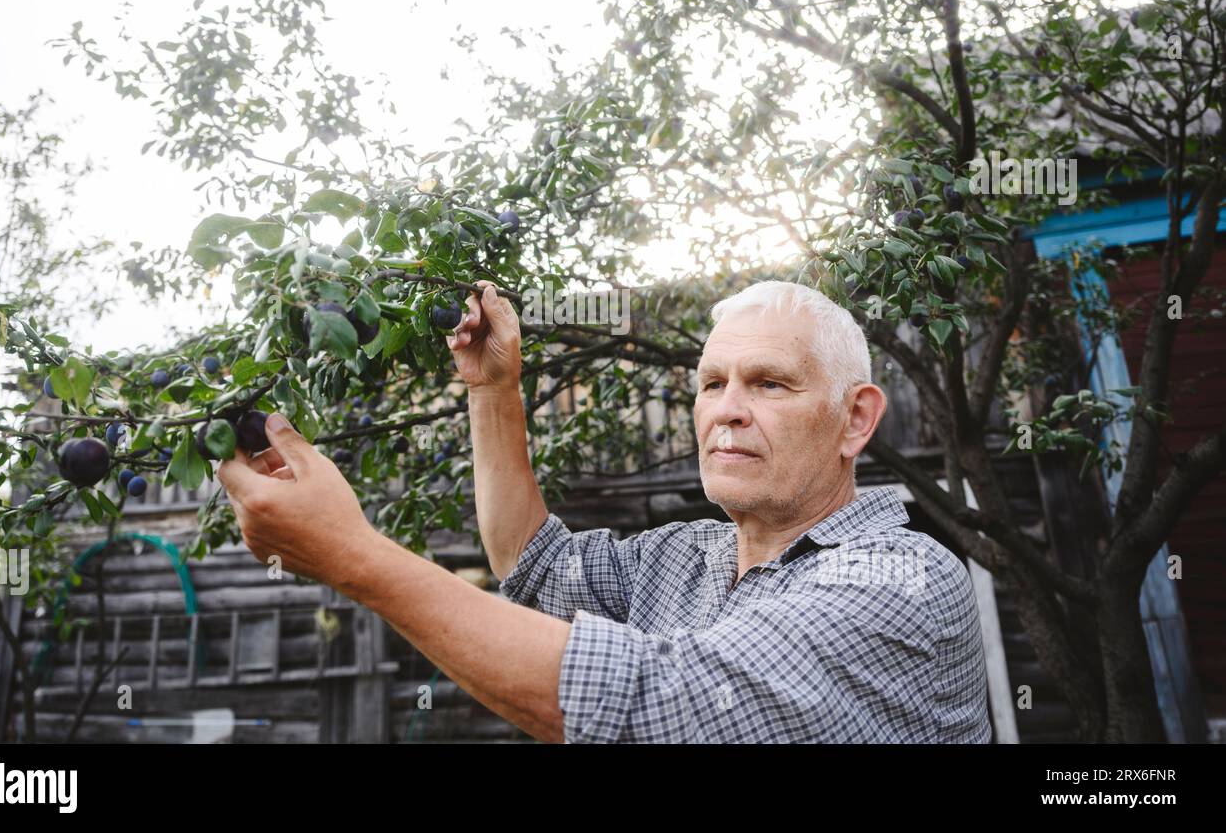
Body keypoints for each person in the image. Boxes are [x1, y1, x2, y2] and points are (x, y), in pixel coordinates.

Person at [217, 279, 992, 743]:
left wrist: (355, 557)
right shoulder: (689, 554)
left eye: (769, 384)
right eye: (711, 383)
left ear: (855, 420)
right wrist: (494, 391)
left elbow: (663, 708)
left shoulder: (902, 580)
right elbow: (532, 561)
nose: (726, 411)